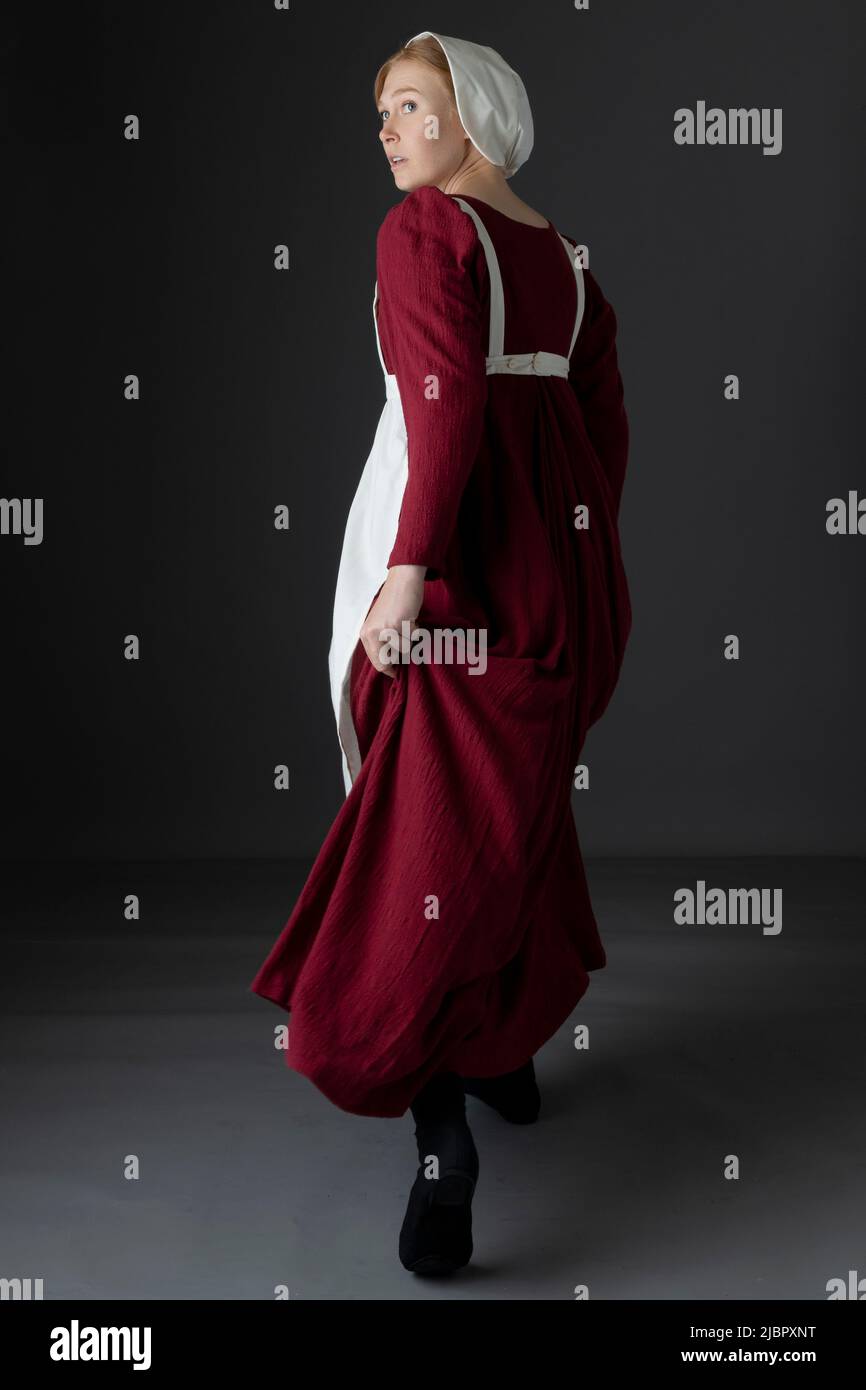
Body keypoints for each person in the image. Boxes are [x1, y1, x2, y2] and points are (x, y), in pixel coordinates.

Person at [250, 30, 632, 1277]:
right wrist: (570, 549)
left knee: (418, 826)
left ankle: (438, 1133)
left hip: (450, 562)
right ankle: (500, 1044)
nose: (388, 132)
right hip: (555, 586)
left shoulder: (427, 234)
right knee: (506, 812)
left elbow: (441, 407)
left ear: (470, 115)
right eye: (383, 113)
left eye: (409, 107)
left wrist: (409, 570)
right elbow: (598, 430)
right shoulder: (562, 264)